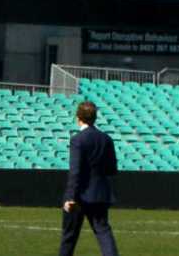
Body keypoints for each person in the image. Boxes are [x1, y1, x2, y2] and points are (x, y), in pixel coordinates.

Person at [60, 100, 120, 256]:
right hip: (100, 193)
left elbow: (75, 171)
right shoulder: (106, 139)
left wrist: (70, 197)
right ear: (95, 118)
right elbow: (112, 169)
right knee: (104, 232)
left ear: (78, 117)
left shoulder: (77, 139)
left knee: (69, 236)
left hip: (80, 195)